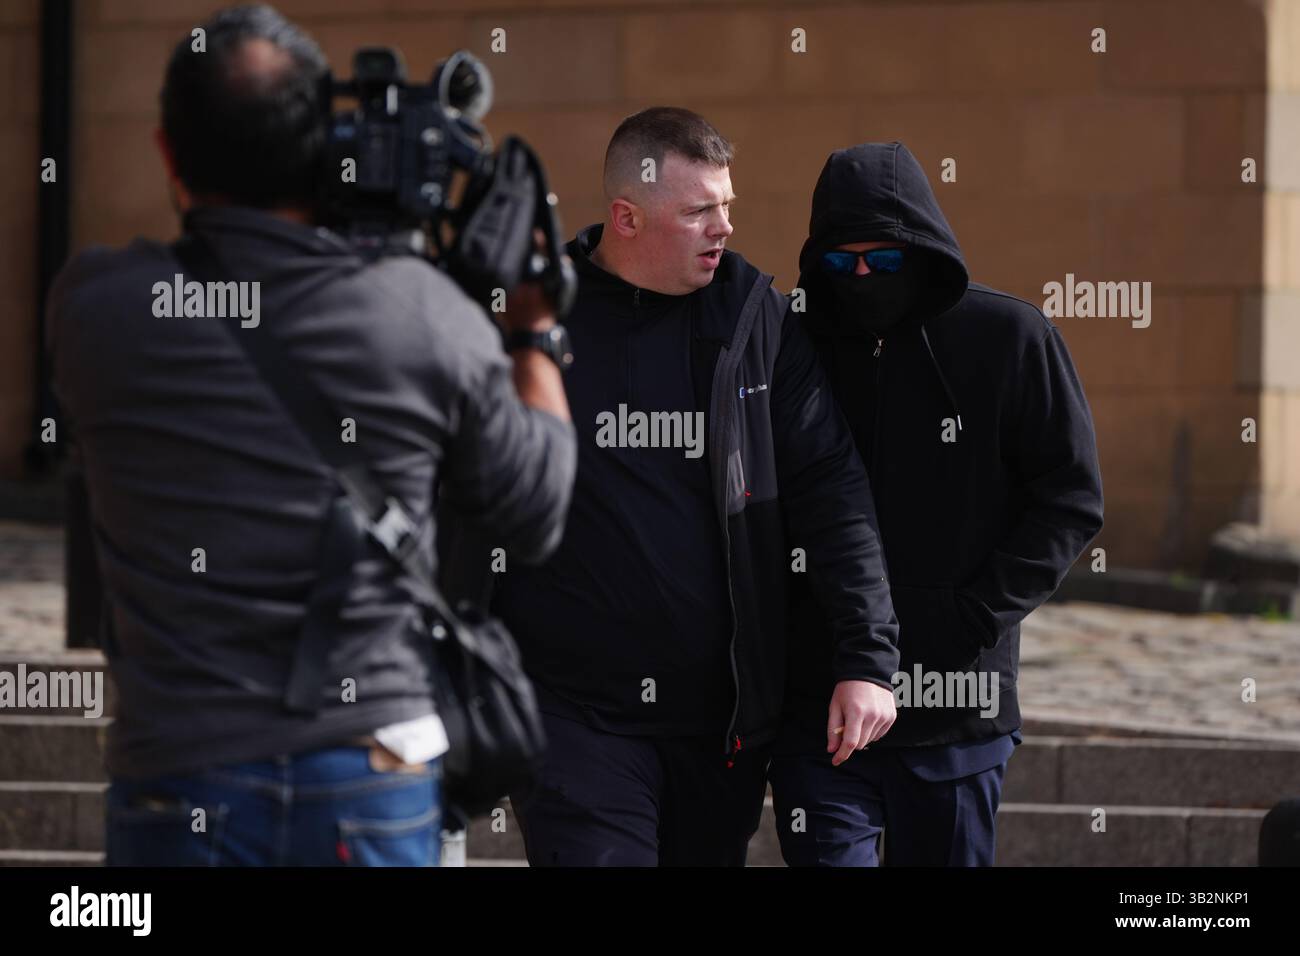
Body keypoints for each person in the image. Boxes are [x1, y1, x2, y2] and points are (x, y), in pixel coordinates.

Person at [45, 4, 576, 866]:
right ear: (316, 148)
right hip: (374, 767)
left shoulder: (93, 309)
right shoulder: (428, 317)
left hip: (177, 776)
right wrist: (532, 331)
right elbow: (535, 510)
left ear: (168, 153)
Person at [482, 108, 900, 866]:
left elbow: (832, 493)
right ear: (626, 216)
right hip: (572, 715)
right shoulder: (540, 320)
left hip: (721, 725)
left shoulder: (758, 320)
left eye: (727, 205)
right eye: (699, 210)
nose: (723, 227)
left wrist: (868, 657)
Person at [771, 141, 1104, 866]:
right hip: (822, 702)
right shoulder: (793, 343)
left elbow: (1069, 499)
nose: (860, 279)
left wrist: (973, 616)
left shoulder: (1010, 337)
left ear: (920, 249)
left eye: (883, 261)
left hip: (959, 707)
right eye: (840, 262)